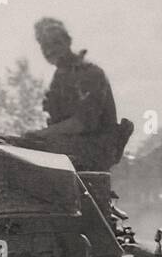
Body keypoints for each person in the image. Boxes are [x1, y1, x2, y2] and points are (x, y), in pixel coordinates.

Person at [20, 18, 132, 171]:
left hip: (94, 149)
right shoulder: (61, 77)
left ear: (68, 41)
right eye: (44, 46)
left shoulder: (90, 73)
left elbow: (82, 123)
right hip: (74, 146)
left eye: (56, 43)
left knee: (28, 151)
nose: (50, 50)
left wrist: (41, 134)